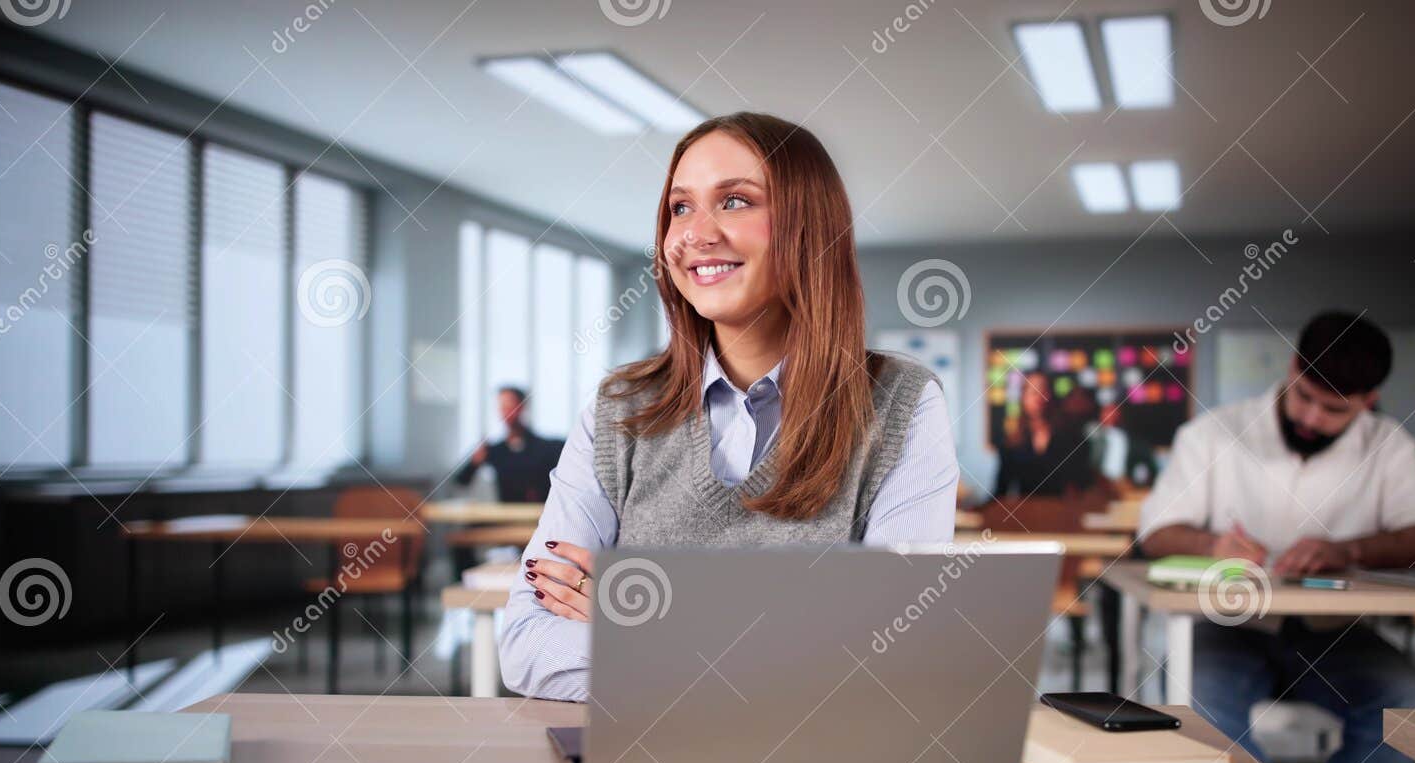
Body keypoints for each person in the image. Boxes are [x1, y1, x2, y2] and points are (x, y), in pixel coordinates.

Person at [499, 113, 959, 701]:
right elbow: (527, 642)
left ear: (809, 228)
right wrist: (781, 650)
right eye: (681, 208)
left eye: (736, 201)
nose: (695, 234)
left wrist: (651, 634)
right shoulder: (620, 408)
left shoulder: (902, 402)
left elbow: (893, 655)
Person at [1137, 310, 1415, 763]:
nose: (1310, 418)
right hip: (1227, 628)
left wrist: (1349, 549)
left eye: (1333, 410)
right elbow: (1158, 534)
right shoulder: (1213, 433)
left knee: (1408, 710)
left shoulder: (1387, 446)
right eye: (1303, 395)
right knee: (1196, 710)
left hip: (1334, 639)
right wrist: (1214, 545)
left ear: (1368, 402)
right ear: (1291, 367)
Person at [993, 374, 1097, 498]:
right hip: (1025, 513)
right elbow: (1001, 491)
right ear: (1023, 398)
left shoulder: (1072, 437)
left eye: (1043, 390)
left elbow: (1083, 486)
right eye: (1032, 392)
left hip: (1062, 513)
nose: (1038, 397)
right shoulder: (1012, 442)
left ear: (1052, 395)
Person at [453, 386, 564, 503]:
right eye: (502, 407)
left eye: (510, 406)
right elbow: (461, 481)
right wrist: (473, 463)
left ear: (522, 407)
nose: (506, 411)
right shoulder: (495, 450)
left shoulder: (548, 448)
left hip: (538, 517)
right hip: (506, 517)